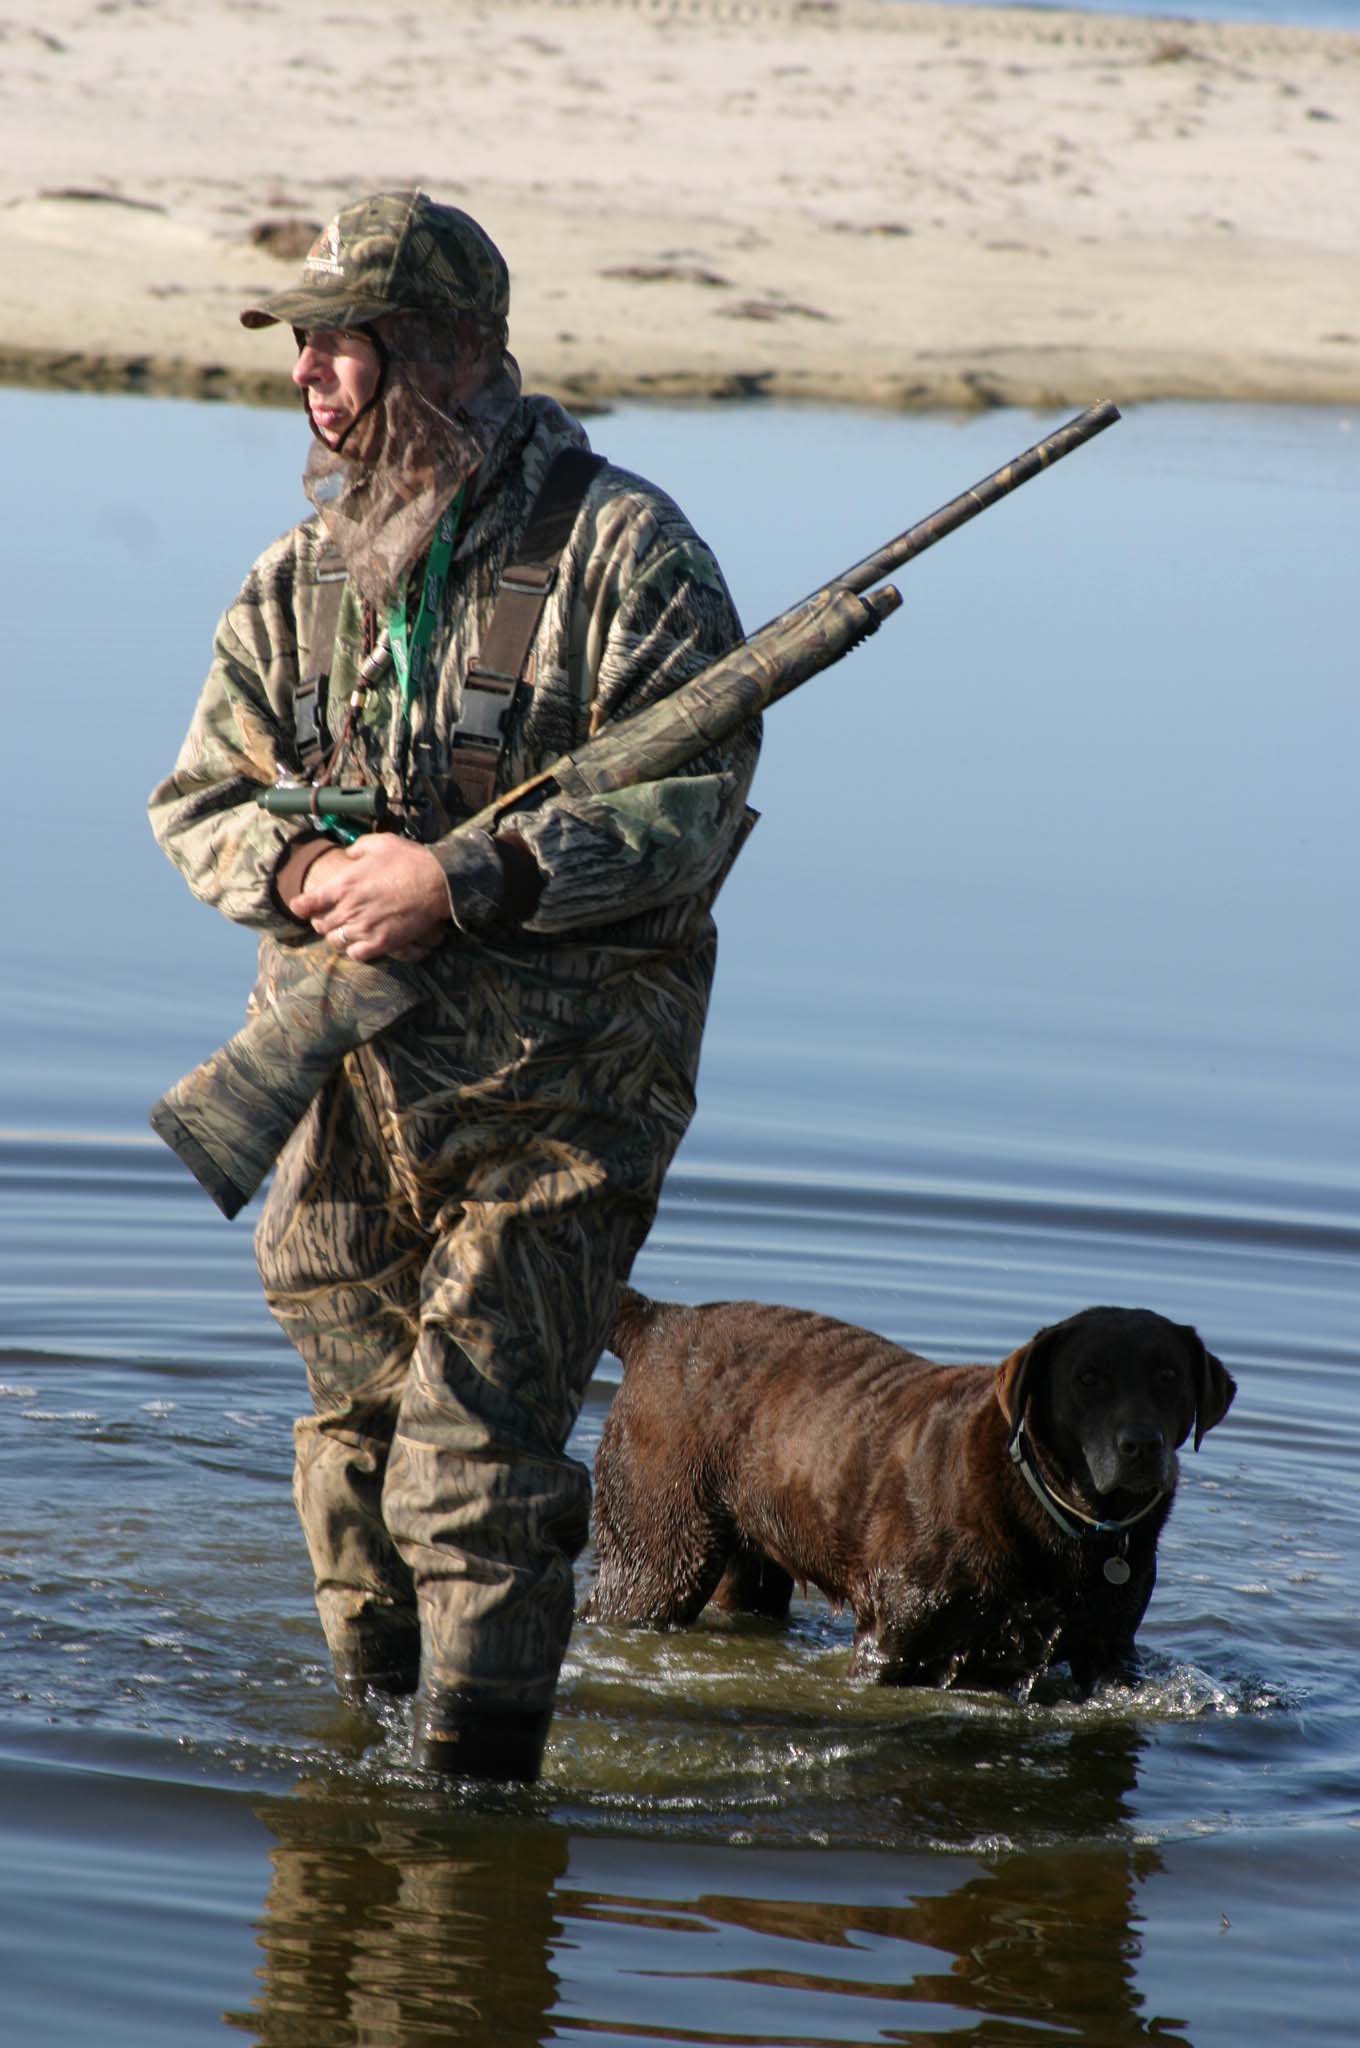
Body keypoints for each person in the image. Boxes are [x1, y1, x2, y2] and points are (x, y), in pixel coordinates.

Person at [149, 190, 759, 1783]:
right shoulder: (298, 578)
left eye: (345, 344)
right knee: (354, 1461)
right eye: (304, 345)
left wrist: (468, 877)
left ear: (453, 351)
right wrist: (299, 873)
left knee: (471, 1468)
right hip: (343, 1093)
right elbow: (199, 799)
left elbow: (688, 816)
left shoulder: (628, 553)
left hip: (563, 1105)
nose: (312, 377)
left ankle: (473, 1817)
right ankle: (362, 1791)